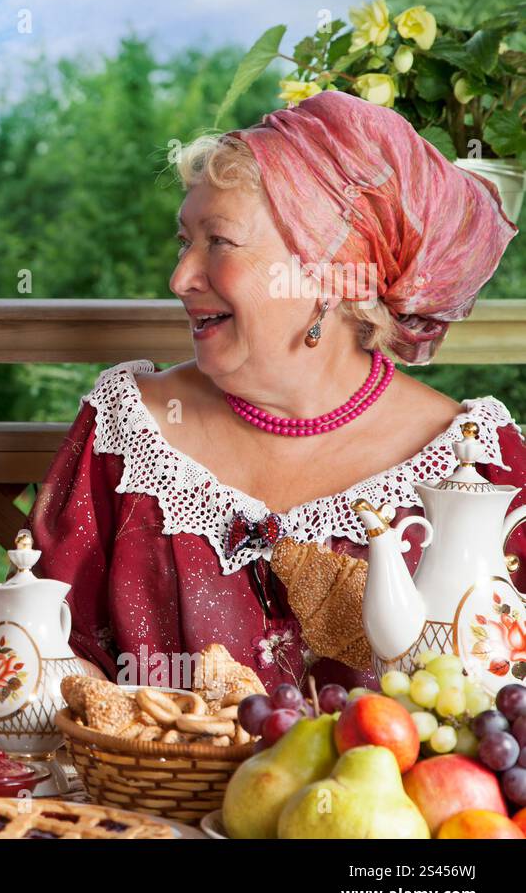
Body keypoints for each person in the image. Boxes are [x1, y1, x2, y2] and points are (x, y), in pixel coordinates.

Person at [31, 90, 522, 692]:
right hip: (150, 789)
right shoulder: (128, 430)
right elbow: (56, 651)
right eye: (185, 241)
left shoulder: (476, 460)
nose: (180, 277)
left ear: (336, 271)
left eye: (219, 242)